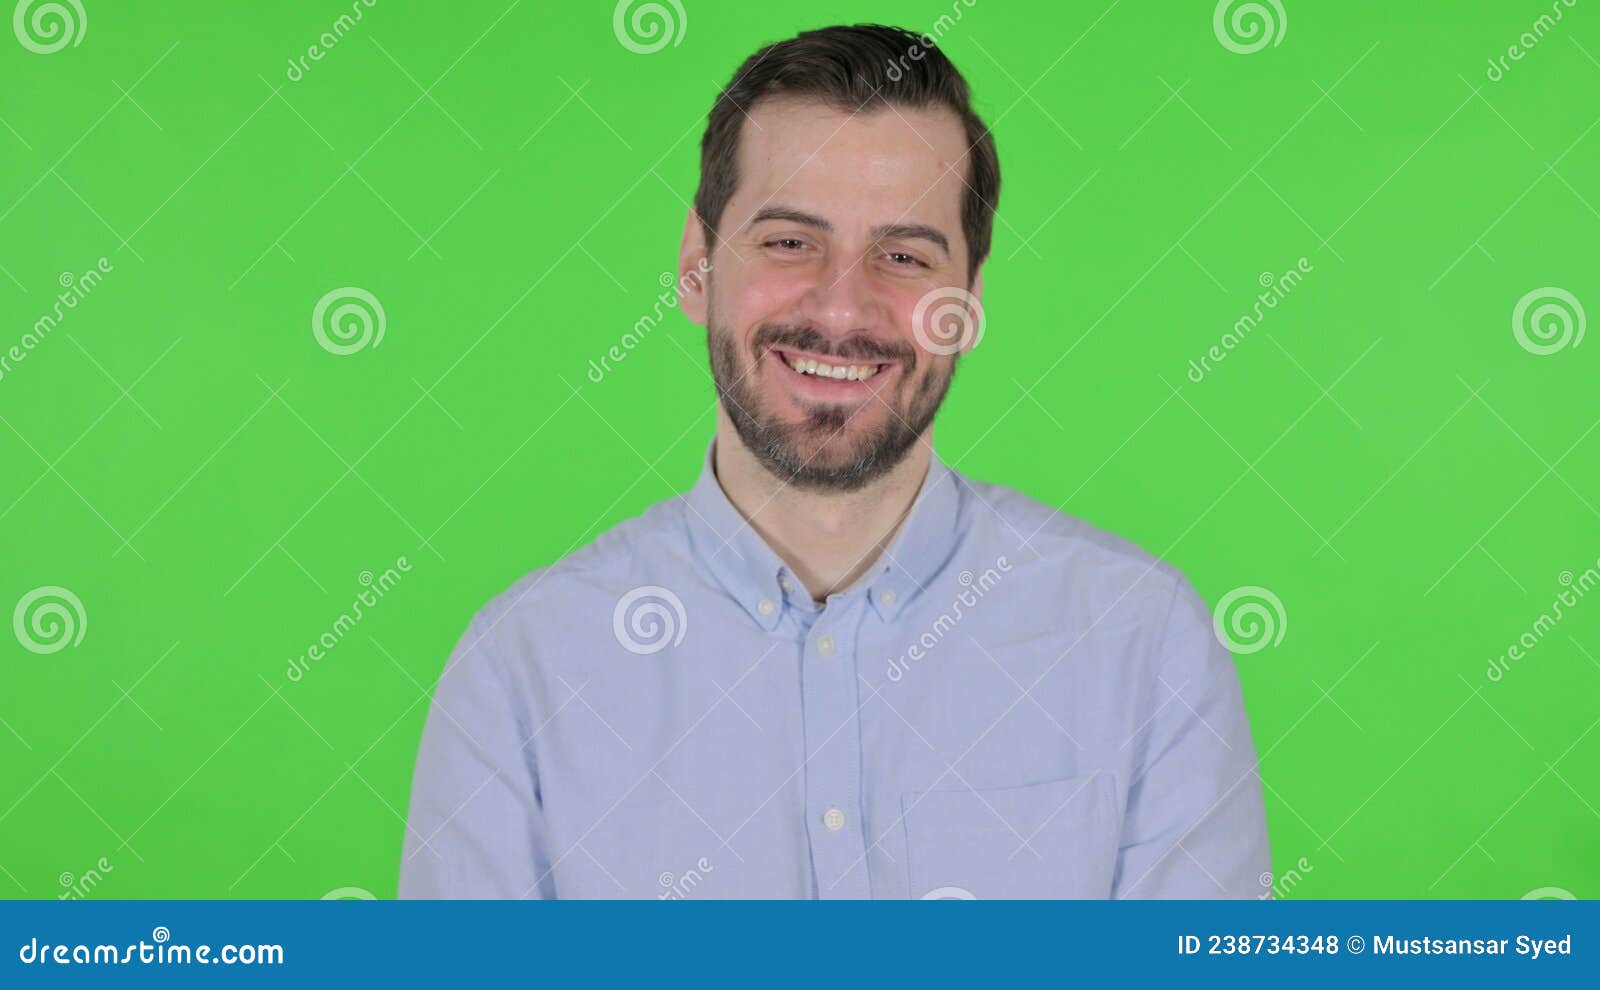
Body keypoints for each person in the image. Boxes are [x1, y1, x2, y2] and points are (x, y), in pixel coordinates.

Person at [399, 23, 1270, 899]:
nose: (844, 308)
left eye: (902, 255)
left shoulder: (1142, 642)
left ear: (965, 303)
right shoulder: (523, 672)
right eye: (788, 241)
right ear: (698, 267)